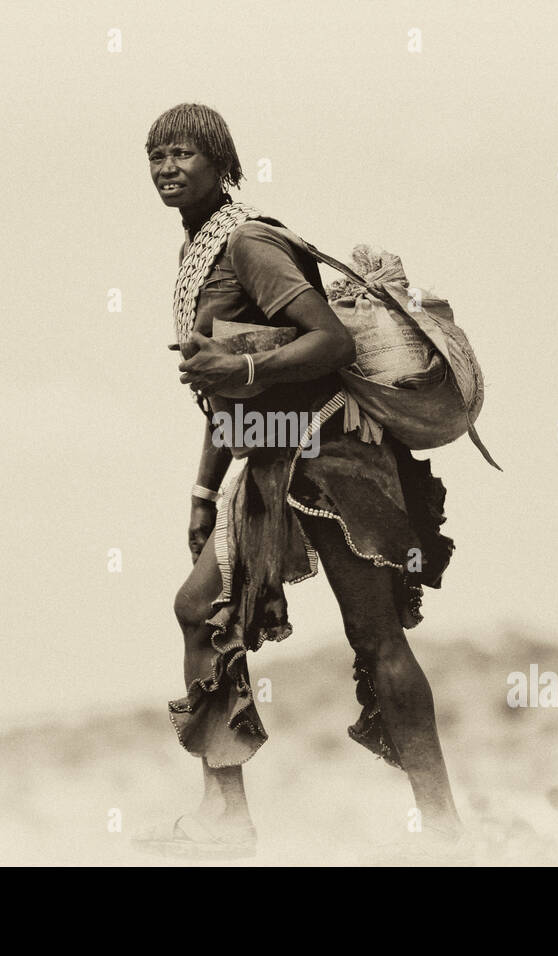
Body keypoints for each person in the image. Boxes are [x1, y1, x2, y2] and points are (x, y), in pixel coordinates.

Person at [133, 103, 466, 860]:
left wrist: (242, 368)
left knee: (375, 637)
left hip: (333, 455)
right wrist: (201, 490)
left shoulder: (249, 242)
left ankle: (446, 833)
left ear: (221, 162)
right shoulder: (199, 253)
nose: (165, 168)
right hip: (267, 458)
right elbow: (219, 389)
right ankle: (226, 819)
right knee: (198, 609)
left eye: (182, 153)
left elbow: (329, 340)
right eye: (154, 157)